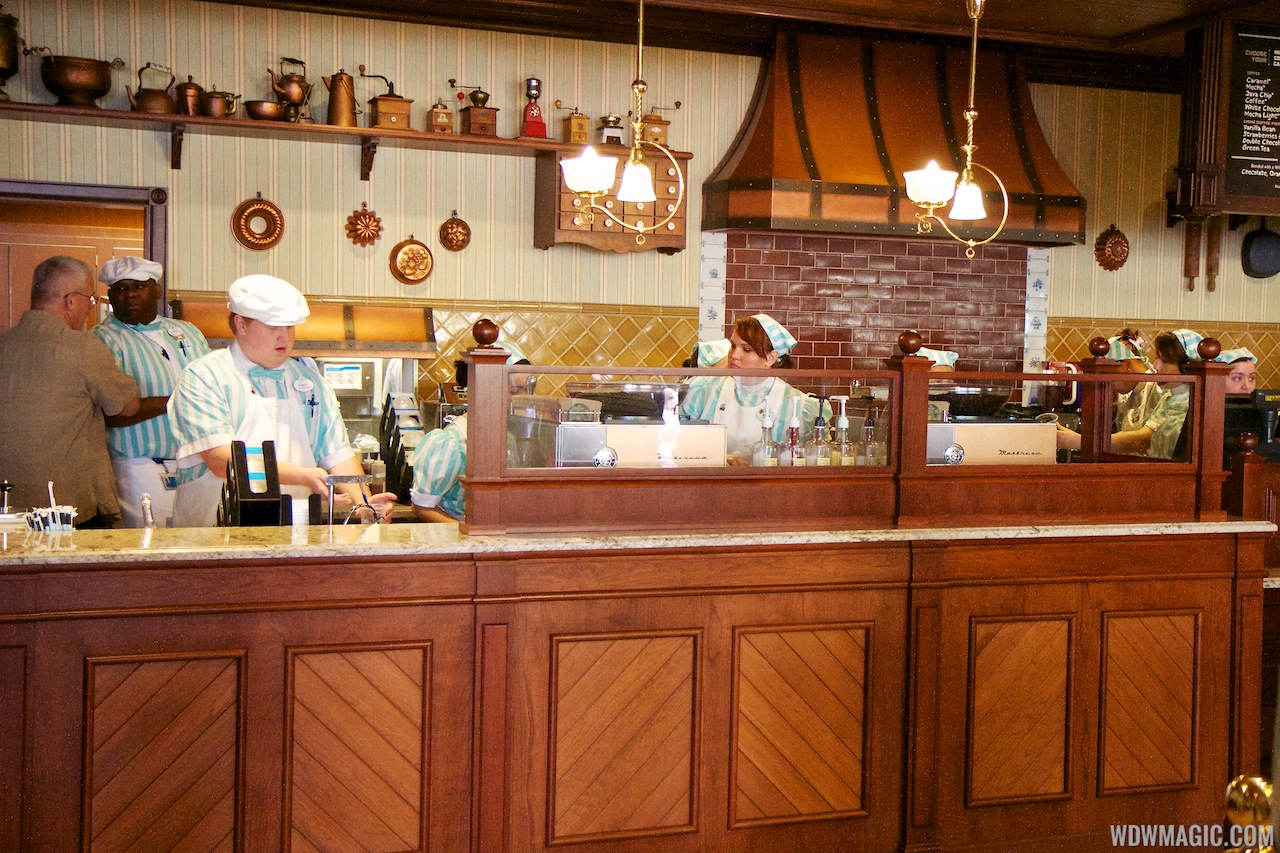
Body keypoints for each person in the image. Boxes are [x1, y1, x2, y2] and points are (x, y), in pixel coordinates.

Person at [168, 274, 394, 527]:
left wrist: (365, 504)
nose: (284, 337)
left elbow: (337, 454)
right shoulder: (205, 376)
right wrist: (302, 476)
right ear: (241, 324)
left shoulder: (311, 383)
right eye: (273, 327)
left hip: (294, 530)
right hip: (214, 530)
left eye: (289, 327)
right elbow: (222, 460)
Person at [0, 256, 140, 527]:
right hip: (65, 508)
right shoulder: (81, 347)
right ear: (71, 301)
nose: (90, 308)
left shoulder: (3, 344)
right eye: (90, 299)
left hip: (7, 508)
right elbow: (128, 406)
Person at [93, 257, 211, 528]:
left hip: (196, 461)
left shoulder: (187, 332)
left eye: (139, 286)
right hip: (139, 466)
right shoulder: (103, 338)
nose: (130, 294)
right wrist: (175, 402)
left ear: (156, 290)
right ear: (111, 296)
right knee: (149, 543)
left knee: (199, 542)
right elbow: (110, 412)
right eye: (121, 289)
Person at [411, 340, 531, 522]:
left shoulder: (508, 437)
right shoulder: (451, 442)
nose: (524, 399)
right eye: (515, 391)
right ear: (484, 388)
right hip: (458, 537)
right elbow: (422, 507)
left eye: (528, 390)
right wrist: (467, 533)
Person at [679, 313, 817, 463]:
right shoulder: (705, 389)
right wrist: (721, 459)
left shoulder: (797, 405)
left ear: (770, 358)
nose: (734, 355)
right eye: (733, 346)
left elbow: (804, 463)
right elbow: (681, 444)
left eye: (746, 349)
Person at [1056, 329, 1199, 459]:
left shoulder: (1164, 391)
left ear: (1127, 364)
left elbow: (1144, 439)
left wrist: (1077, 441)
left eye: (1164, 360)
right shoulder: (1168, 398)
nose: (1156, 366)